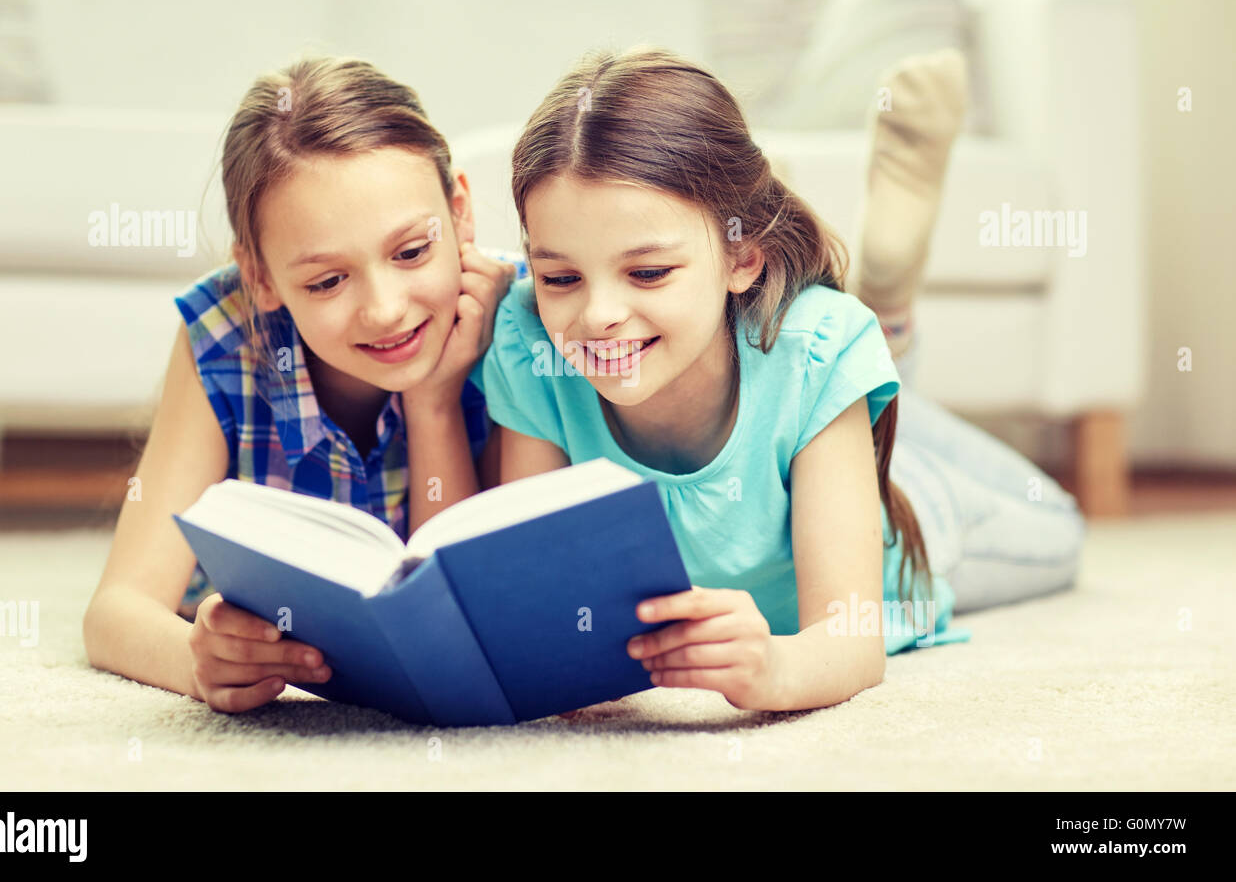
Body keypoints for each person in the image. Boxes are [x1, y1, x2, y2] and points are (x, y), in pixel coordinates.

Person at [477, 47, 1085, 714]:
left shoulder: (809, 355)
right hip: (811, 401)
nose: (596, 317)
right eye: (562, 277)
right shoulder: (528, 337)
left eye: (647, 272)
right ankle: (882, 346)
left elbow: (852, 643)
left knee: (1061, 530)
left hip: (906, 505)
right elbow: (537, 601)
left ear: (742, 256)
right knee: (826, 371)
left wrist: (775, 664)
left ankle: (881, 336)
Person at [84, 56, 515, 713]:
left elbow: (458, 627)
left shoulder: (512, 322)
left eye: (410, 253)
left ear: (459, 213)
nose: (386, 308)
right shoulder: (227, 331)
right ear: (260, 276)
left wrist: (434, 403)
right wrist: (197, 663)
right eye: (326, 281)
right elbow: (115, 611)